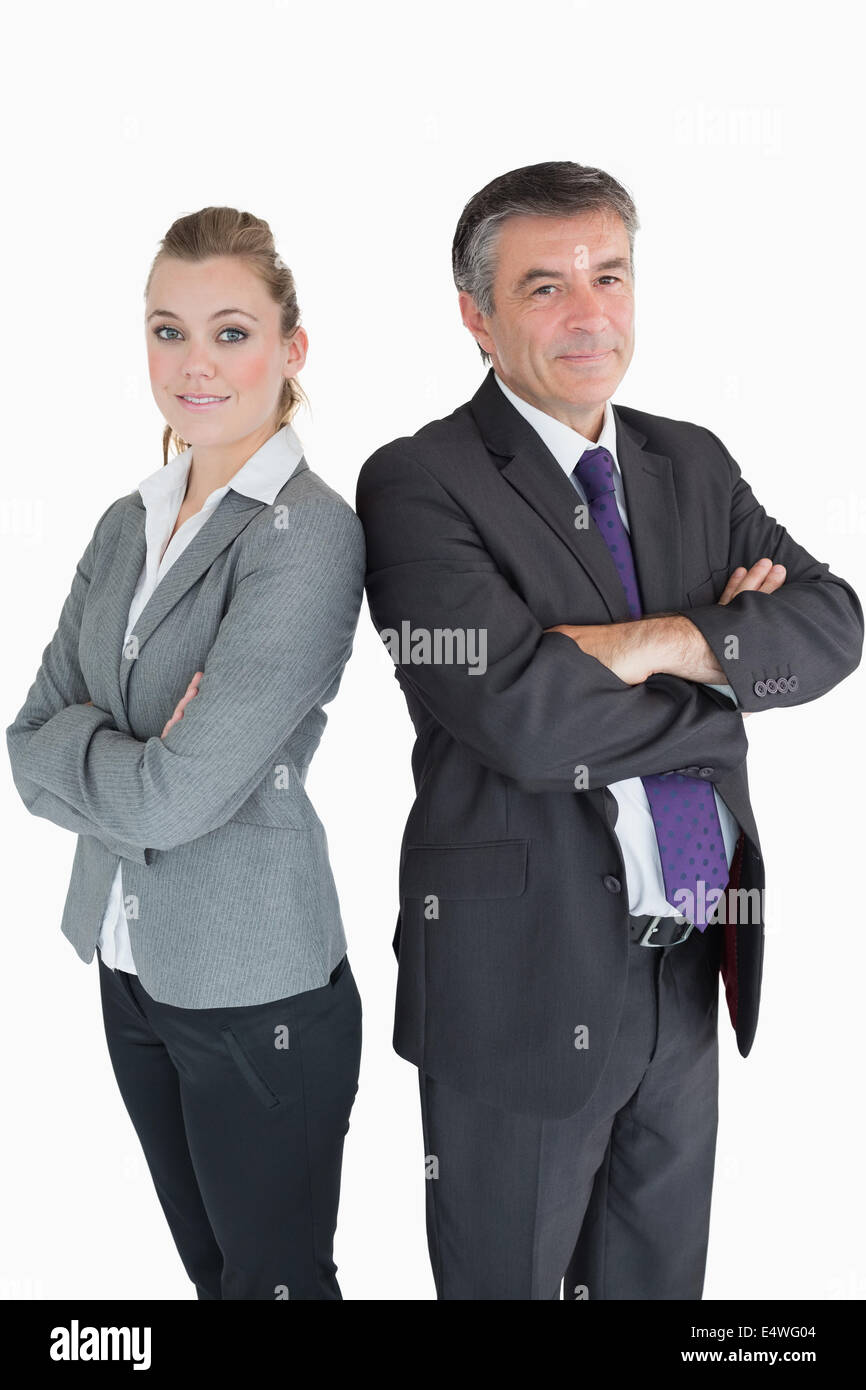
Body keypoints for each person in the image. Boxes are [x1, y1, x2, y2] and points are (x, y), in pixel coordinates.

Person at [355, 161, 863, 1300]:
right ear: (474, 317)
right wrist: (725, 662)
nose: (588, 313)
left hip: (688, 963)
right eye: (543, 287)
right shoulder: (417, 481)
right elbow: (521, 718)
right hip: (518, 984)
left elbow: (831, 625)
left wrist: (649, 642)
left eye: (609, 275)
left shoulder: (689, 458)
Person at [7, 206, 365, 1300]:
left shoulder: (307, 536)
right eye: (168, 331)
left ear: (289, 349)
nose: (194, 364)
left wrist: (103, 752)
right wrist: (120, 753)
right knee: (212, 1277)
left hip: (256, 992)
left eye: (229, 331)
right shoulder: (129, 520)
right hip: (126, 960)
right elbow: (25, 745)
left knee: (274, 1287)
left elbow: (176, 795)